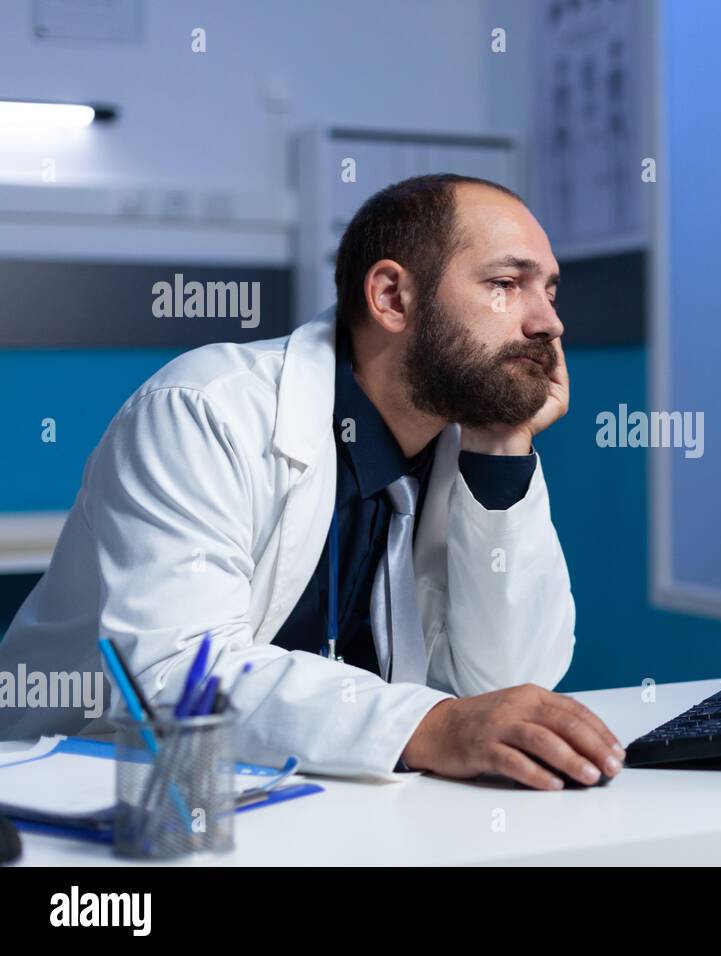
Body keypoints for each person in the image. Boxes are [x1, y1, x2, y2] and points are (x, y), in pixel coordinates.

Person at [0, 174, 624, 789]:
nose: (549, 323)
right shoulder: (204, 409)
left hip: (317, 796)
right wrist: (430, 726)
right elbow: (176, 675)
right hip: (81, 790)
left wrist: (502, 447)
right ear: (391, 298)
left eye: (550, 291)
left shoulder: (459, 443)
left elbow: (508, 684)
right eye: (505, 285)